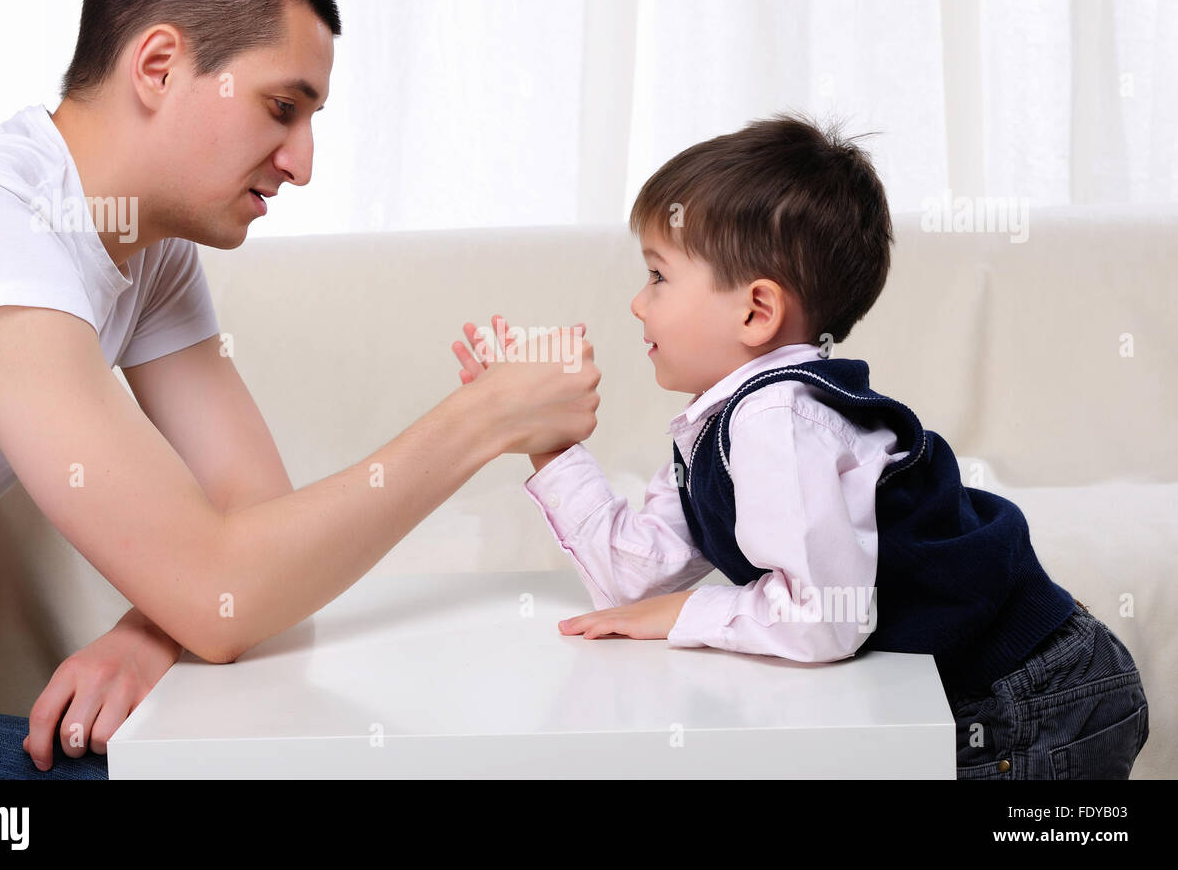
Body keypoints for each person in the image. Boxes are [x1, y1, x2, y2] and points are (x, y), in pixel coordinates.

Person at [0, 0, 599, 779]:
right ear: (159, 66)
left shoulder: (154, 253)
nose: (301, 161)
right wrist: (485, 418)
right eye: (282, 107)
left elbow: (247, 517)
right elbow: (225, 585)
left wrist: (150, 631)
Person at [451, 115, 1149, 780]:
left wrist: (681, 614)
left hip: (1033, 694)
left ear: (756, 310)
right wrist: (548, 444)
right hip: (993, 692)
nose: (638, 303)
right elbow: (634, 577)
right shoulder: (718, 424)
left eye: (658, 275)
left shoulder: (777, 418)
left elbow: (827, 618)